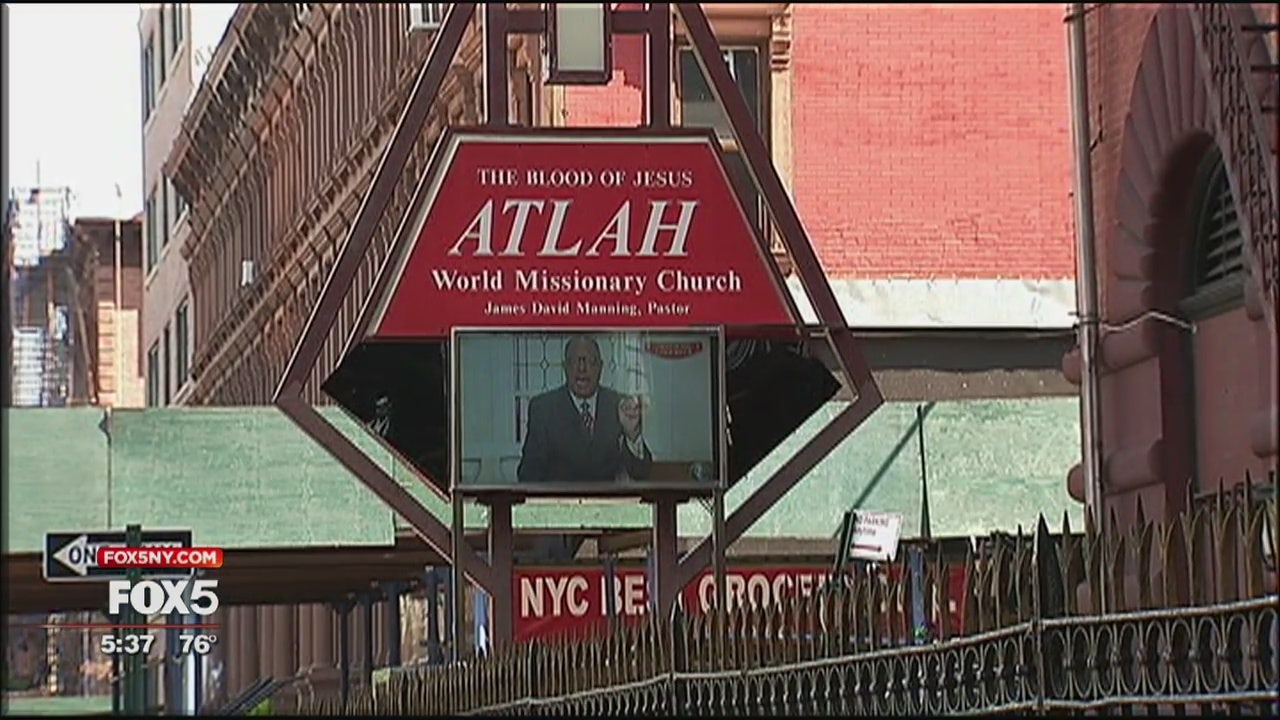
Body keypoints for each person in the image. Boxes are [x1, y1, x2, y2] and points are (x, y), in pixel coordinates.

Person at [517, 334, 653, 484]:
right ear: (565, 367)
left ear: (600, 367)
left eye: (590, 362)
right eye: (575, 361)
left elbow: (643, 473)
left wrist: (632, 435)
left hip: (608, 505)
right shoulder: (543, 409)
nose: (582, 369)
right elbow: (528, 475)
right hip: (558, 505)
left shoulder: (618, 406)